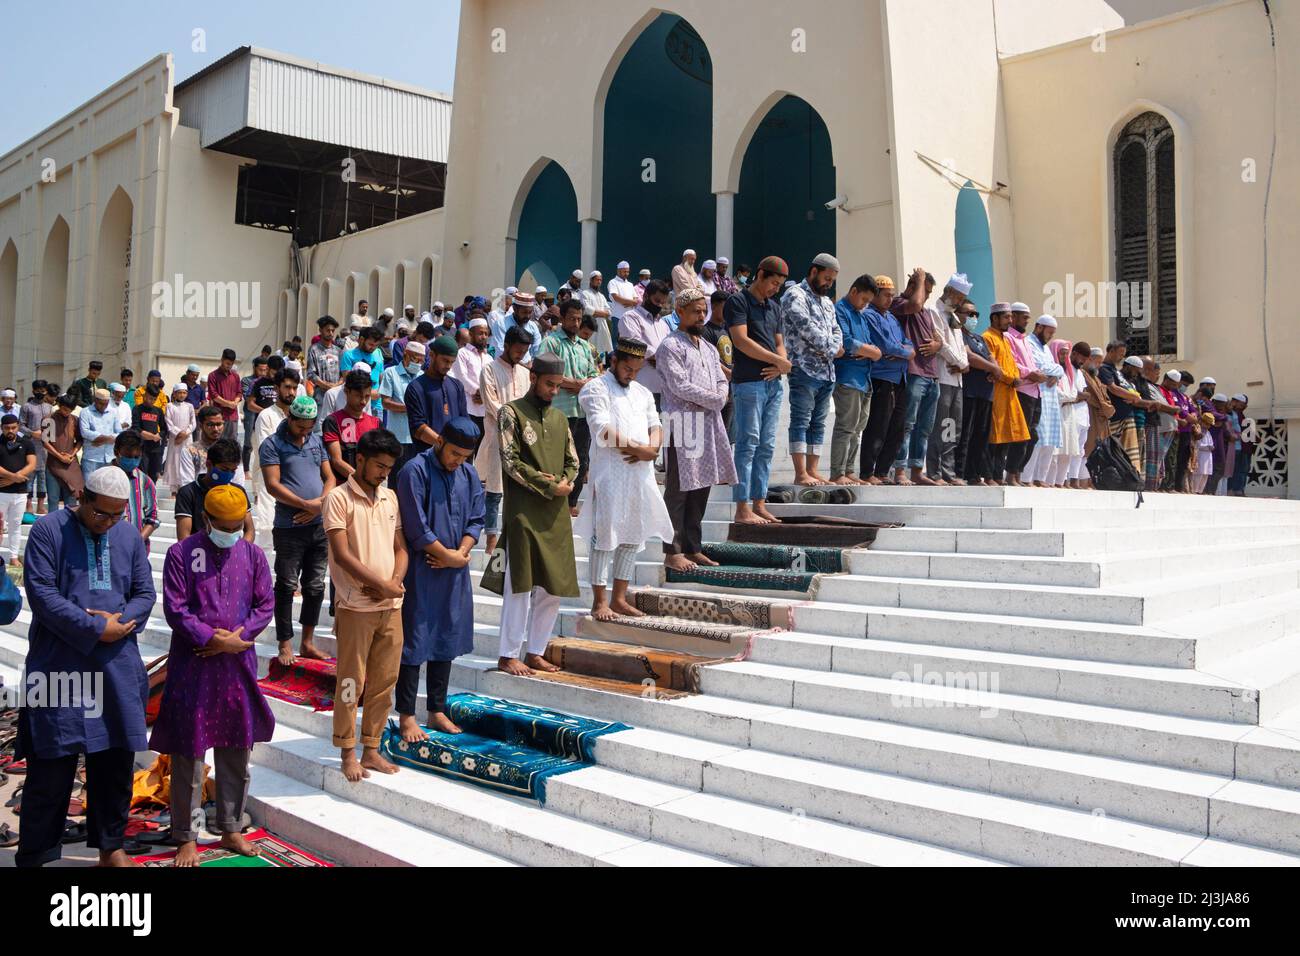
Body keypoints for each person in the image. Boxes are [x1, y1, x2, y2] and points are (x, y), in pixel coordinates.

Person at [14, 465, 156, 867]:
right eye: (101, 514)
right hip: (58, 664)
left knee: (114, 763)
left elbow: (145, 592)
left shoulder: (127, 535)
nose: (109, 524)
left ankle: (111, 847)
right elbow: (41, 594)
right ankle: (37, 854)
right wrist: (96, 627)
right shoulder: (47, 531)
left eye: (117, 515)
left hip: (117, 666)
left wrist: (120, 623)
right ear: (81, 500)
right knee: (51, 766)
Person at [150, 484, 274, 866]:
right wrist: (209, 637)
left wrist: (240, 637)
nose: (232, 531)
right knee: (188, 751)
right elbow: (175, 608)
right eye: (225, 524)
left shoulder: (253, 555)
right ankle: (185, 836)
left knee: (237, 749)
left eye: (238, 524)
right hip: (194, 666)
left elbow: (265, 603)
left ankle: (231, 827)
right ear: (207, 520)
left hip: (237, 665)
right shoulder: (181, 554)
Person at [480, 352, 576, 676]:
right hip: (522, 511)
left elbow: (573, 460)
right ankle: (508, 655)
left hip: (556, 514)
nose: (554, 391)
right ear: (533, 378)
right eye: (549, 384)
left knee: (553, 586)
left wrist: (565, 481)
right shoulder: (511, 413)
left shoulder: (560, 419)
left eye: (558, 386)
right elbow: (510, 462)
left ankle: (535, 651)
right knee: (519, 583)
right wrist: (548, 485)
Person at [323, 428, 409, 778]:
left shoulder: (390, 497)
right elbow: (341, 554)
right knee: (350, 682)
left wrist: (393, 585)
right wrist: (379, 585)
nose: (383, 473)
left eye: (388, 467)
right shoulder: (338, 498)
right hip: (355, 605)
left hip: (391, 607)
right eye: (378, 465)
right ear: (359, 460)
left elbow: (400, 548)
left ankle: (371, 747)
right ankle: (347, 751)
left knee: (385, 681)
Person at [393, 419, 484, 739]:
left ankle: (436, 710)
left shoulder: (468, 474)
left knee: (445, 638)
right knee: (414, 642)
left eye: (465, 456)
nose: (458, 460)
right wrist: (446, 556)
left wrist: (460, 552)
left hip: (454, 571)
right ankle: (406, 715)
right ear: (440, 441)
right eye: (455, 453)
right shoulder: (413, 471)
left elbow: (476, 518)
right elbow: (415, 525)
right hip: (421, 570)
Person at [576, 338, 673, 619]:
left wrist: (652, 450)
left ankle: (619, 599)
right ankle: (599, 602)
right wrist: (639, 449)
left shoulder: (642, 392)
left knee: (632, 535)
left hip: (639, 475)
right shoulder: (595, 388)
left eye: (636, 370)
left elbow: (656, 425)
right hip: (608, 476)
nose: (631, 374)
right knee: (604, 537)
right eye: (627, 368)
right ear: (614, 361)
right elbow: (602, 430)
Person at [657, 289, 737, 572]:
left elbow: (721, 378)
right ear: (680, 312)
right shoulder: (670, 346)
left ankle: (693, 547)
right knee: (679, 490)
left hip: (708, 425)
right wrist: (716, 398)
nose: (701, 315)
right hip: (683, 424)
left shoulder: (709, 347)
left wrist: (720, 393)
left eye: (704, 311)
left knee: (701, 488)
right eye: (695, 311)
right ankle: (672, 550)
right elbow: (679, 387)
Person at [259, 395, 335, 665]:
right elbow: (273, 485)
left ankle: (308, 641)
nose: (305, 431)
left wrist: (320, 504)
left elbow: (330, 476)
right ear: (289, 418)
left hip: (318, 525)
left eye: (309, 426)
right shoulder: (272, 444)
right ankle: (284, 643)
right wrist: (305, 504)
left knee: (315, 586)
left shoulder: (315, 440)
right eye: (300, 426)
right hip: (289, 526)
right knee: (287, 585)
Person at [724, 256, 791, 522]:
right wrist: (777, 361)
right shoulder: (738, 301)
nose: (775, 288)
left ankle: (759, 502)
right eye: (773, 282)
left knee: (766, 445)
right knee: (747, 444)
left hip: (773, 384)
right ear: (760, 274)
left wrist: (781, 364)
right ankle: (742, 507)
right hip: (749, 383)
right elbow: (740, 340)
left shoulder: (774, 307)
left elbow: (780, 342)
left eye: (779, 285)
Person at [889, 271, 957, 486]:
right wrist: (918, 280)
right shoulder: (899, 303)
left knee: (925, 427)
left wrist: (937, 345)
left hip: (932, 375)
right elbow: (915, 304)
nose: (926, 296)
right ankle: (900, 470)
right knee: (907, 424)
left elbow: (939, 339)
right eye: (925, 290)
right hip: (913, 372)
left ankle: (917, 470)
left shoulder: (927, 313)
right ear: (913, 286)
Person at [781, 253, 843, 486]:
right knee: (801, 421)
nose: (829, 284)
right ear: (814, 271)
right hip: (804, 369)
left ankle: (813, 470)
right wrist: (832, 348)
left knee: (818, 423)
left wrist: (834, 346)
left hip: (827, 372)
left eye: (832, 281)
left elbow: (837, 330)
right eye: (827, 278)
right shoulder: (794, 295)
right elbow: (806, 328)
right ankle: (800, 473)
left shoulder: (827, 302)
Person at [538, 298, 600, 516]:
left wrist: (583, 384)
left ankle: (571, 503)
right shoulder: (551, 342)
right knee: (556, 458)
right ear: (562, 318)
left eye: (579, 319)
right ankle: (553, 502)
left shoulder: (586, 347)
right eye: (572, 318)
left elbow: (594, 376)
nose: (575, 323)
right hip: (559, 411)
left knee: (581, 460)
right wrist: (574, 384)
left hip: (583, 412)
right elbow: (545, 373)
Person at [477, 325, 533, 554]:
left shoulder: (524, 373)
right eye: (518, 351)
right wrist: (517, 419)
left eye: (524, 352)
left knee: (519, 490)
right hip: (496, 437)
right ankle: (491, 540)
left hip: (522, 440)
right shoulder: (489, 370)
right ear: (507, 346)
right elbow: (492, 405)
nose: (521, 355)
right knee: (494, 491)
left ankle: (517, 538)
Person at [858, 276, 916, 484]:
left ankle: (883, 471)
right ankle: (867, 472)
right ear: (875, 295)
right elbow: (884, 346)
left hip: (900, 377)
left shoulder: (892, 318)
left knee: (897, 428)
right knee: (877, 426)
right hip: (881, 377)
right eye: (886, 295)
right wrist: (902, 351)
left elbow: (908, 344)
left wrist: (902, 352)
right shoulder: (869, 316)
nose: (890, 299)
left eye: (892, 295)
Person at [830, 275, 883, 484]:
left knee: (857, 429)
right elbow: (847, 341)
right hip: (848, 377)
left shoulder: (860, 315)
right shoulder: (840, 310)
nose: (866, 304)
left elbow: (870, 346)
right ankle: (837, 473)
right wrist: (870, 351)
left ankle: (850, 470)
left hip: (864, 378)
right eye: (864, 299)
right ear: (853, 292)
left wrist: (870, 351)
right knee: (846, 426)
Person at [981, 304, 1031, 483]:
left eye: (1011, 317)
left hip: (1010, 394)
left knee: (1010, 436)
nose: (1010, 321)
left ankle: (999, 476)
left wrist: (1015, 376)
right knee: (996, 436)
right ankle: (990, 476)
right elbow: (995, 367)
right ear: (995, 318)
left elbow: (1012, 363)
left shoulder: (1005, 339)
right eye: (1006, 317)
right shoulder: (988, 338)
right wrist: (1011, 379)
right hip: (997, 393)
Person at [927, 289, 972, 484]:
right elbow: (941, 344)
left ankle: (949, 472)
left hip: (957, 381)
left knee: (953, 428)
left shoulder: (953, 317)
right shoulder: (934, 312)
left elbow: (961, 347)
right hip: (943, 377)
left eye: (962, 299)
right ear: (949, 292)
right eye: (958, 298)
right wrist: (961, 363)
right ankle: (935, 472)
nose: (959, 302)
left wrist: (963, 364)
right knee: (939, 426)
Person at [249, 367, 299, 542]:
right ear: (277, 389)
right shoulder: (266, 416)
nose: (291, 392)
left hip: (294, 479)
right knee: (268, 527)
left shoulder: (299, 415)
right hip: (272, 479)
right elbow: (267, 450)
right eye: (287, 387)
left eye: (294, 387)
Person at [1003, 303, 1048, 484]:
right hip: (1022, 390)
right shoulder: (1008, 337)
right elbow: (1011, 363)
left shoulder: (1024, 339)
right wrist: (1030, 374)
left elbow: (1031, 363)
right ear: (1013, 316)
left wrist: (1038, 373)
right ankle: (1011, 474)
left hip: (1035, 392)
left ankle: (1018, 472)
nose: (1027, 321)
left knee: (1032, 435)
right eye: (1024, 318)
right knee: (1021, 434)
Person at [176, 438, 252, 541]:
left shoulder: (238, 492)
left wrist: (240, 551)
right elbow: (184, 537)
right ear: (209, 465)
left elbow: (249, 530)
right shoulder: (188, 493)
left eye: (233, 470)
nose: (229, 474)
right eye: (224, 470)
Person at [1021, 316, 1065, 487]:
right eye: (1048, 333)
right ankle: (1026, 478)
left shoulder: (1046, 349)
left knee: (1049, 440)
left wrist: (1057, 371)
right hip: (1037, 394)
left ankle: (1040, 478)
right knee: (1036, 439)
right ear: (1039, 327)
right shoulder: (1029, 343)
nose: (1050, 337)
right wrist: (1056, 371)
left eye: (1052, 334)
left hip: (1050, 399)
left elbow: (1056, 367)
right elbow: (1040, 366)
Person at [323, 369, 382, 484]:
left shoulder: (376, 423)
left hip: (369, 487)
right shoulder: (332, 421)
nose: (363, 401)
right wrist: (362, 481)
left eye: (367, 396)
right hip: (342, 488)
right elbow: (336, 461)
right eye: (358, 396)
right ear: (346, 391)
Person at [379, 338, 423, 481]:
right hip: (398, 436)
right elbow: (386, 403)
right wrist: (410, 408)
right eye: (416, 359)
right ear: (406, 355)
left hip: (419, 437)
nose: (418, 364)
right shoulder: (390, 373)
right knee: (397, 478)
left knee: (415, 478)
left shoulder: (422, 376)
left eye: (421, 361)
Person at [1097, 342, 1142, 473]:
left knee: (1129, 451)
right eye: (1120, 353)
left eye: (1123, 354)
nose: (1122, 357)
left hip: (1127, 416)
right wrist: (1135, 396)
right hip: (1117, 417)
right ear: (1111, 351)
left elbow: (1125, 388)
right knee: (1116, 450)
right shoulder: (1104, 369)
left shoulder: (1116, 371)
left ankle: (1131, 476)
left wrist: (1132, 396)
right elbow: (1113, 388)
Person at [112, 430, 160, 548]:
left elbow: (152, 517)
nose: (132, 460)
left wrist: (138, 541)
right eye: (128, 456)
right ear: (116, 452)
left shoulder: (146, 482)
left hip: (138, 549)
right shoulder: (102, 479)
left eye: (136, 457)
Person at [450, 317, 493, 446]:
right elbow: (461, 378)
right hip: (468, 409)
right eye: (480, 333)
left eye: (486, 334)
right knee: (466, 449)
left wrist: (484, 396)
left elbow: (493, 382)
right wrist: (478, 392)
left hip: (485, 411)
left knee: (481, 452)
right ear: (470, 334)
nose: (483, 337)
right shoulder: (462, 353)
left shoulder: (489, 358)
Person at [0, 414, 36, 565]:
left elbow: (32, 464)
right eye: (7, 428)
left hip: (20, 492)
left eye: (13, 427)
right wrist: (13, 477)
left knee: (15, 526)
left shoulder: (27, 443)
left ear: (18, 427)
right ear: (2, 428)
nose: (10, 430)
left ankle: (14, 556)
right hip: (1, 492)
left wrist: (14, 478)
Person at [43, 393, 83, 509]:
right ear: (59, 405)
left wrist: (72, 454)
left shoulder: (74, 420)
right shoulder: (49, 420)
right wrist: (59, 456)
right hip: (53, 464)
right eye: (64, 409)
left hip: (70, 464)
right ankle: (52, 526)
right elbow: (45, 442)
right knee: (53, 499)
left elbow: (80, 441)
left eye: (69, 410)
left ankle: (69, 525)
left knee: (71, 498)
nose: (66, 412)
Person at [20, 382, 50, 515]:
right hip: (30, 445)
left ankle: (41, 505)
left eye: (43, 390)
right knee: (30, 476)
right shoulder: (26, 406)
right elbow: (20, 425)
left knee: (43, 477)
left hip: (45, 447)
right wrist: (32, 433)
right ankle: (28, 505)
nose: (41, 392)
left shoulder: (50, 407)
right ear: (33, 391)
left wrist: (47, 438)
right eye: (38, 390)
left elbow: (52, 428)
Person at [78, 388, 122, 482]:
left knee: (108, 489)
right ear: (95, 400)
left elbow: (120, 433)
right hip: (91, 459)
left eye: (106, 404)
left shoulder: (113, 412)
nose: (103, 407)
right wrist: (107, 438)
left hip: (110, 458)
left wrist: (103, 440)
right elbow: (85, 432)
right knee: (89, 489)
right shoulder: (85, 412)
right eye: (101, 404)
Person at [341, 326, 386, 415]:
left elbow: (382, 378)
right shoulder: (349, 355)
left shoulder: (378, 353)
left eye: (376, 345)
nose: (373, 348)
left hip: (376, 406)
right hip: (357, 405)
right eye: (370, 344)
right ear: (361, 339)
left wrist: (379, 393)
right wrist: (367, 394)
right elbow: (347, 381)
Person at [163, 382, 198, 491]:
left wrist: (185, 433)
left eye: (184, 393)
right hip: (175, 439)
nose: (182, 395)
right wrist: (179, 433)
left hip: (187, 439)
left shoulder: (189, 406)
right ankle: (174, 489)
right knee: (174, 461)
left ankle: (185, 487)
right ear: (175, 394)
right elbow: (168, 422)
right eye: (179, 393)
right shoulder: (170, 406)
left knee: (186, 461)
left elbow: (193, 423)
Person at [131, 382, 168, 481]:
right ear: (145, 395)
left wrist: (159, 435)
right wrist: (151, 436)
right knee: (142, 473)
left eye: (154, 399)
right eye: (150, 398)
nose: (151, 401)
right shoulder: (137, 409)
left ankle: (152, 493)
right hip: (142, 447)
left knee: (154, 475)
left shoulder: (158, 411)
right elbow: (136, 428)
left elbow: (164, 428)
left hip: (156, 448)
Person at [206, 349, 243, 440]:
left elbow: (239, 392)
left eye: (231, 364)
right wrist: (228, 404)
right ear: (222, 359)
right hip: (219, 416)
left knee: (232, 443)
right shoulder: (212, 376)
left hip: (233, 416)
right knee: (218, 442)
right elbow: (213, 395)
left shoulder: (235, 376)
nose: (228, 366)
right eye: (227, 363)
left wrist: (235, 402)